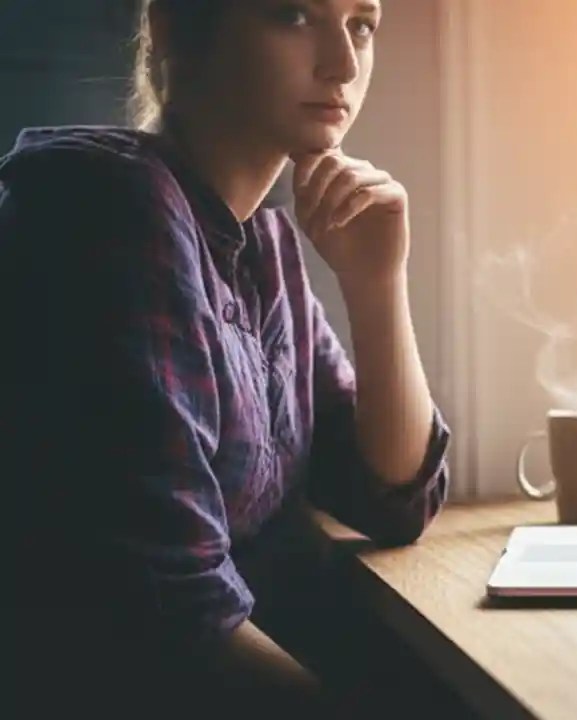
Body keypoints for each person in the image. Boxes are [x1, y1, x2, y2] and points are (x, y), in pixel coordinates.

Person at [0, 0, 451, 715]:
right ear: (177, 27)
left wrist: (377, 284)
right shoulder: (114, 212)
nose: (344, 64)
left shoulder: (263, 247)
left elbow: (390, 495)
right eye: (293, 15)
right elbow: (172, 617)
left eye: (362, 25)